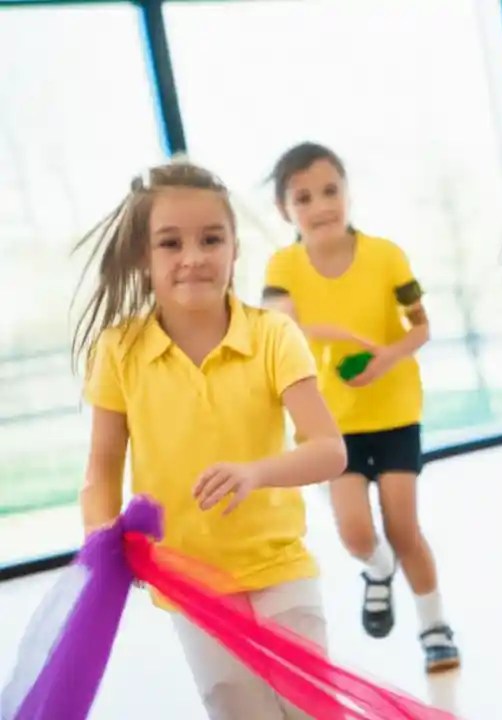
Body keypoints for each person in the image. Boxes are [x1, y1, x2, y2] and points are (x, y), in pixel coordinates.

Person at [75, 161, 347, 719]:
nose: (193, 257)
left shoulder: (273, 336)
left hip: (279, 567)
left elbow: (329, 450)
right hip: (189, 582)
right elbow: (101, 470)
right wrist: (102, 545)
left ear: (234, 249)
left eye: (211, 239)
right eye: (170, 243)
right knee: (238, 709)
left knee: (312, 710)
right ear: (143, 257)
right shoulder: (119, 350)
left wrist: (256, 473)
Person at [262, 143, 460, 672]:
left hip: (394, 413)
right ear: (284, 210)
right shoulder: (283, 265)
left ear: (348, 192)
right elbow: (278, 327)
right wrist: (339, 333)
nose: (321, 205)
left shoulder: (387, 255)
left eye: (330, 190)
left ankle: (435, 627)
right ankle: (377, 570)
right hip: (330, 426)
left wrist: (386, 357)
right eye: (304, 198)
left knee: (404, 528)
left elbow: (420, 327)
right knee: (355, 533)